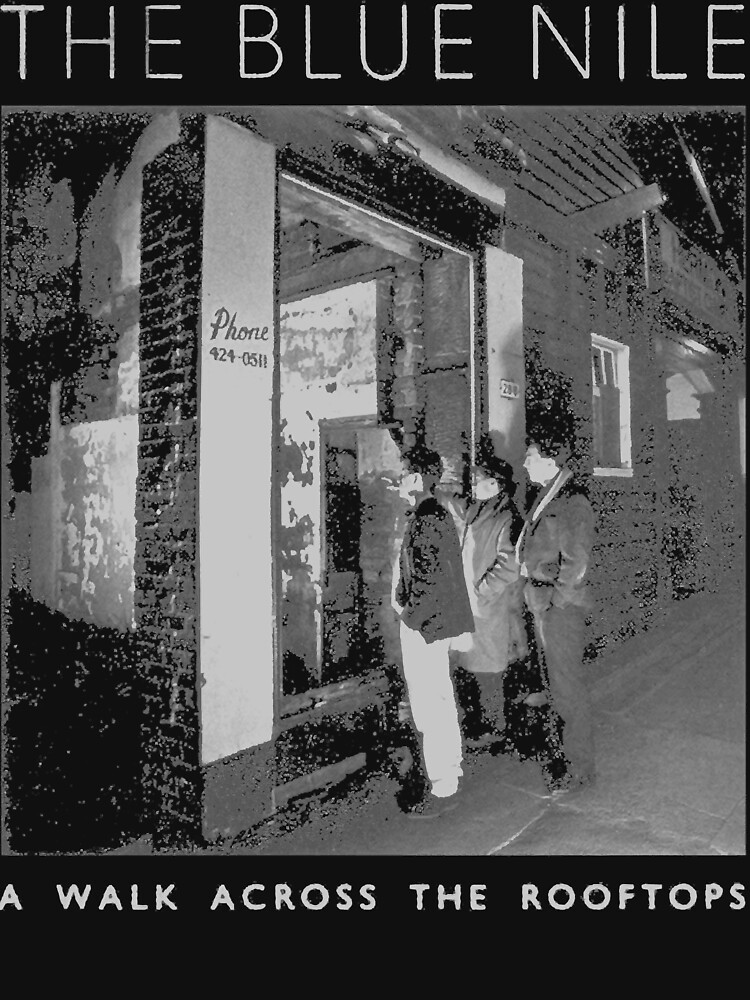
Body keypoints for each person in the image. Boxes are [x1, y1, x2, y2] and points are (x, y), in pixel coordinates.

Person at [392, 443, 475, 818]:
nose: (397, 480)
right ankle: (446, 774)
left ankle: (444, 782)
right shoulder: (429, 515)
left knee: (432, 704)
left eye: (403, 472)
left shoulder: (426, 519)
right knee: (434, 700)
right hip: (430, 624)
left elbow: (430, 581)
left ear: (416, 477)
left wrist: (409, 617)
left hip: (425, 627)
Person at [516, 437, 597, 794]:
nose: (525, 463)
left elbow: (577, 562)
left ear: (551, 460)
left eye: (530, 457)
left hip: (558, 608)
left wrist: (557, 604)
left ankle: (579, 768)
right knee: (555, 686)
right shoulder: (550, 494)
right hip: (543, 602)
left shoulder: (570, 500)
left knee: (566, 687)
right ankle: (564, 762)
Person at [447, 434, 526, 748]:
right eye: (475, 482)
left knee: (490, 668)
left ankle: (496, 727)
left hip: (489, 605)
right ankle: (480, 725)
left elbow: (510, 563)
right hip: (472, 604)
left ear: (497, 485)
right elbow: (447, 498)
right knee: (472, 664)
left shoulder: (506, 518)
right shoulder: (474, 512)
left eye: (481, 482)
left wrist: (481, 591)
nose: (475, 487)